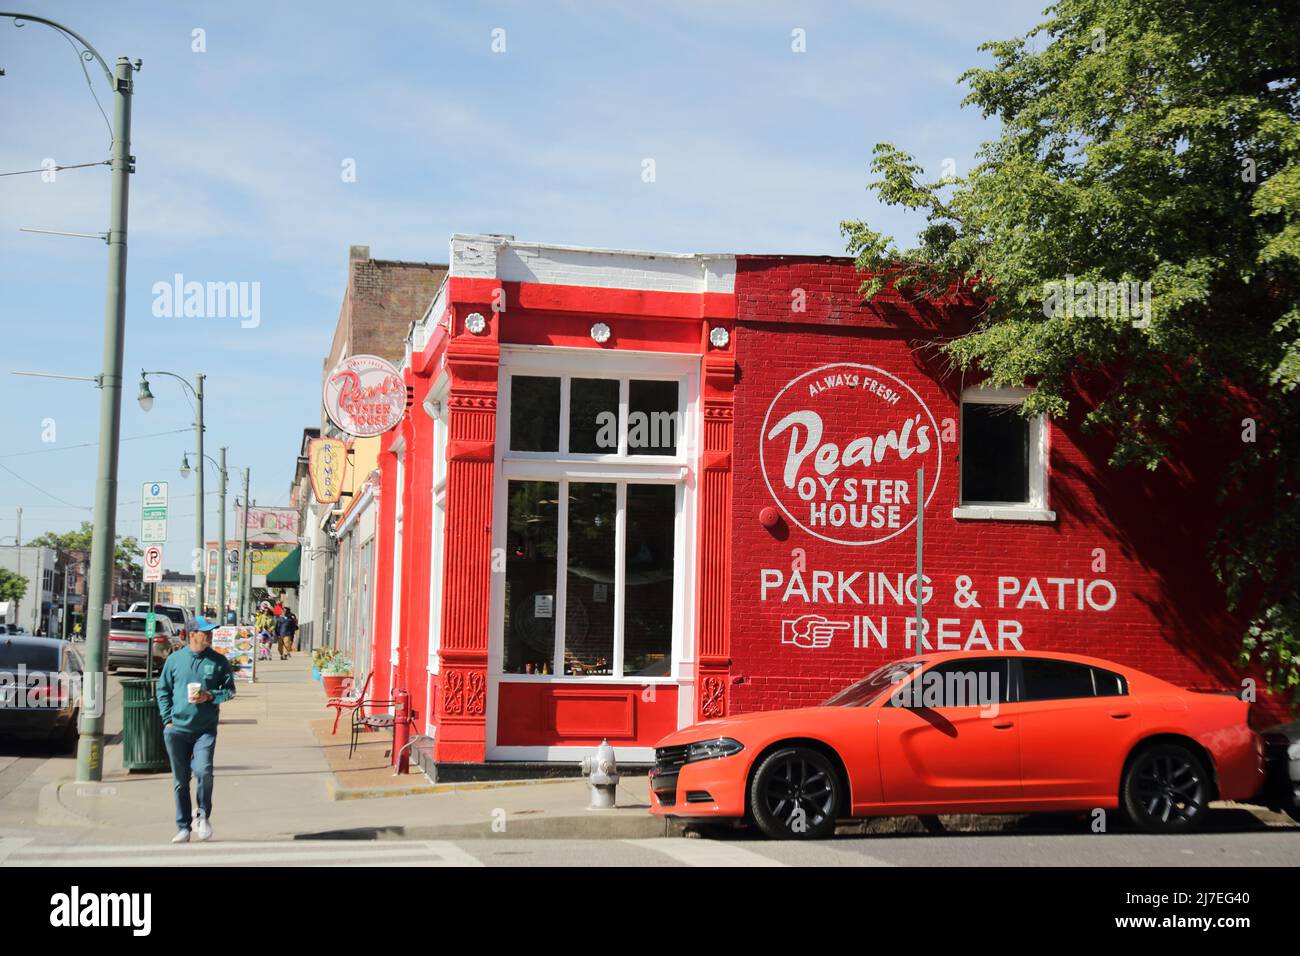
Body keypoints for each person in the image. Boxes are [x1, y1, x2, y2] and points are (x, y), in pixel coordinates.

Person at [156, 615, 236, 844]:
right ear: (192, 635)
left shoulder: (219, 661)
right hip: (176, 729)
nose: (210, 636)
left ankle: (202, 816)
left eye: (211, 632)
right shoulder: (175, 660)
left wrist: (210, 696)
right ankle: (183, 827)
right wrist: (167, 720)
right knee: (180, 781)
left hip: (205, 729)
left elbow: (230, 690)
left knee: (203, 772)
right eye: (205, 632)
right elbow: (163, 690)